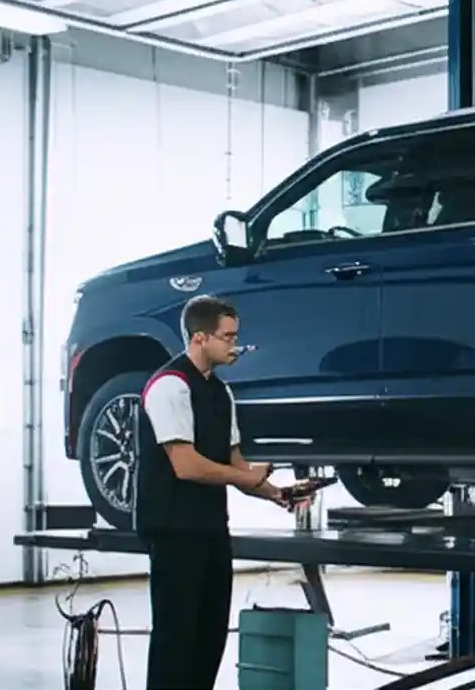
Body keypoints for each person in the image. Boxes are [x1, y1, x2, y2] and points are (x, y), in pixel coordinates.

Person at [136, 293, 309, 690]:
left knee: (209, 637)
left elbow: (235, 465)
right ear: (199, 338)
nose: (236, 346)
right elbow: (186, 464)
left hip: (211, 528)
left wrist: (276, 493)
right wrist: (247, 479)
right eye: (228, 337)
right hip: (173, 530)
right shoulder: (170, 386)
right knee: (176, 640)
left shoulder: (221, 393)